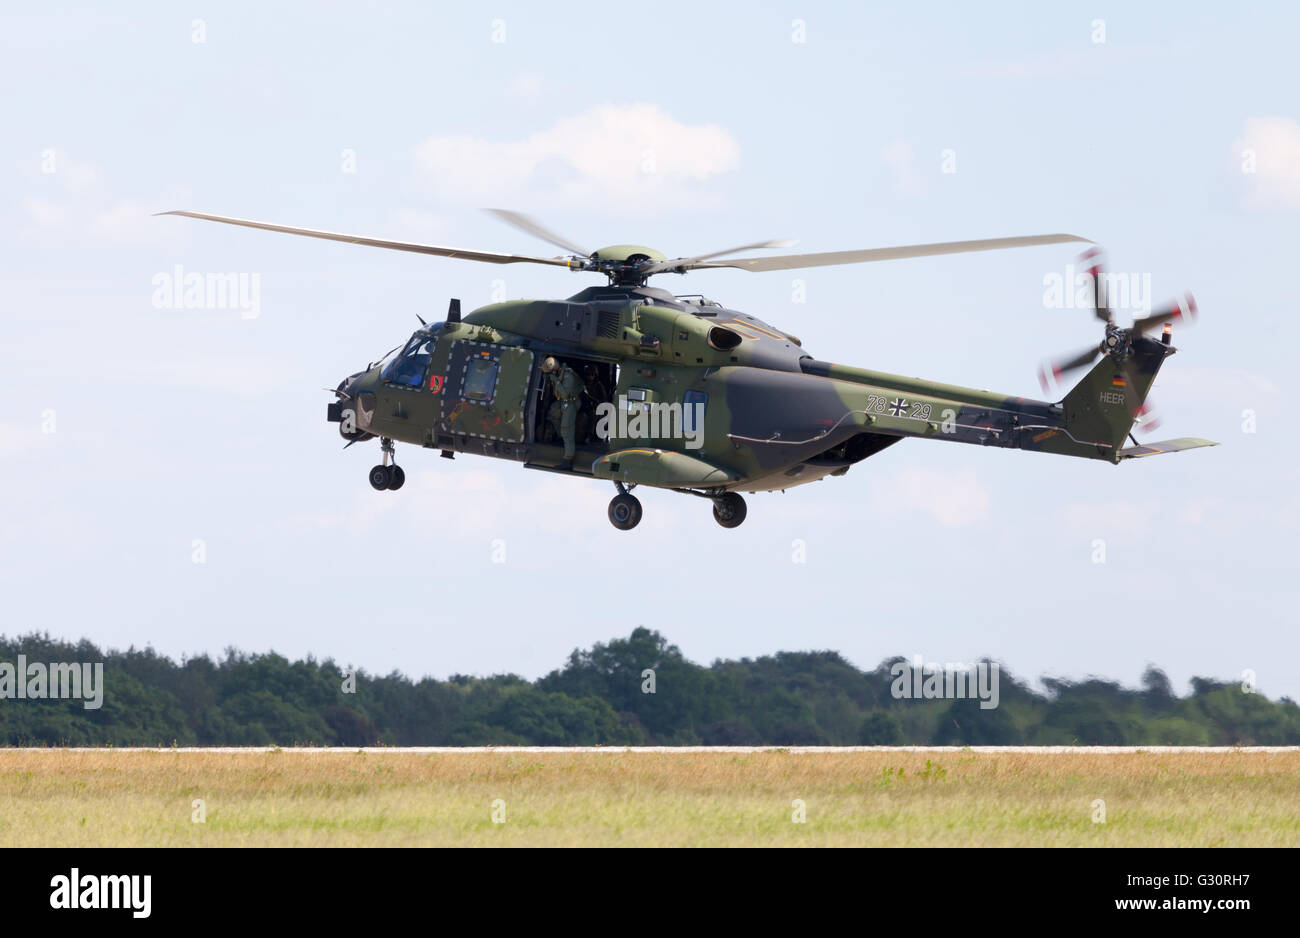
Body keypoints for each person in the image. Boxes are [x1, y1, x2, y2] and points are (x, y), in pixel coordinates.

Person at [542, 356, 584, 468]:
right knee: (552, 413)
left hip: (570, 404)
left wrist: (555, 381)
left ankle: (567, 459)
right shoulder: (561, 374)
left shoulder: (568, 375)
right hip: (564, 402)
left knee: (567, 430)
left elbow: (565, 394)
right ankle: (562, 438)